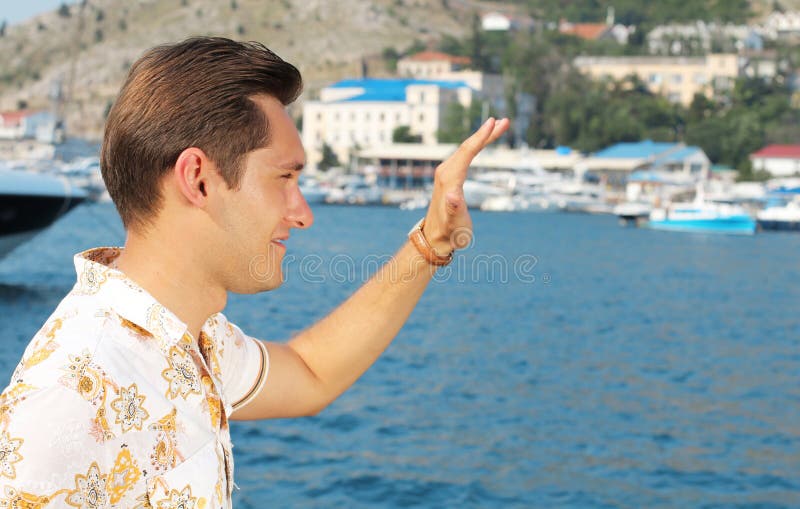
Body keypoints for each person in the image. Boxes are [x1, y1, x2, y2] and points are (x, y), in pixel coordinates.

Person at [0, 37, 508, 508]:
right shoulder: (69, 395)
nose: (303, 214)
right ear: (198, 180)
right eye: (284, 177)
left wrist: (430, 244)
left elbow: (311, 374)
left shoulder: (193, 340)